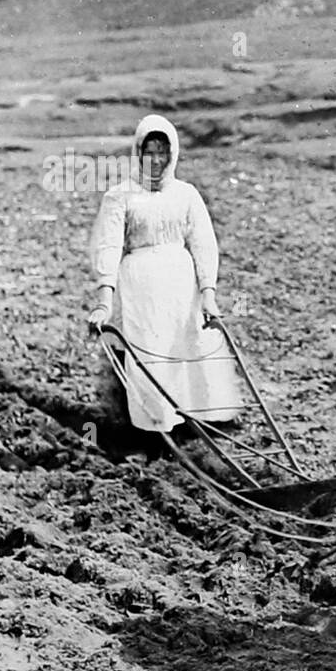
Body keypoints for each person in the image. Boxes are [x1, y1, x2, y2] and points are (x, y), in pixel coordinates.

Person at [87, 113, 243, 432]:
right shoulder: (120, 196)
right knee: (151, 356)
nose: (156, 160)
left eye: (162, 152)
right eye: (149, 152)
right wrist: (105, 301)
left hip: (181, 287)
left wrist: (208, 295)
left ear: (172, 155)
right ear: (138, 153)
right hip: (141, 289)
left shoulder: (186, 194)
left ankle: (200, 424)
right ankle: (155, 430)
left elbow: (203, 245)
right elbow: (109, 248)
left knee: (191, 351)